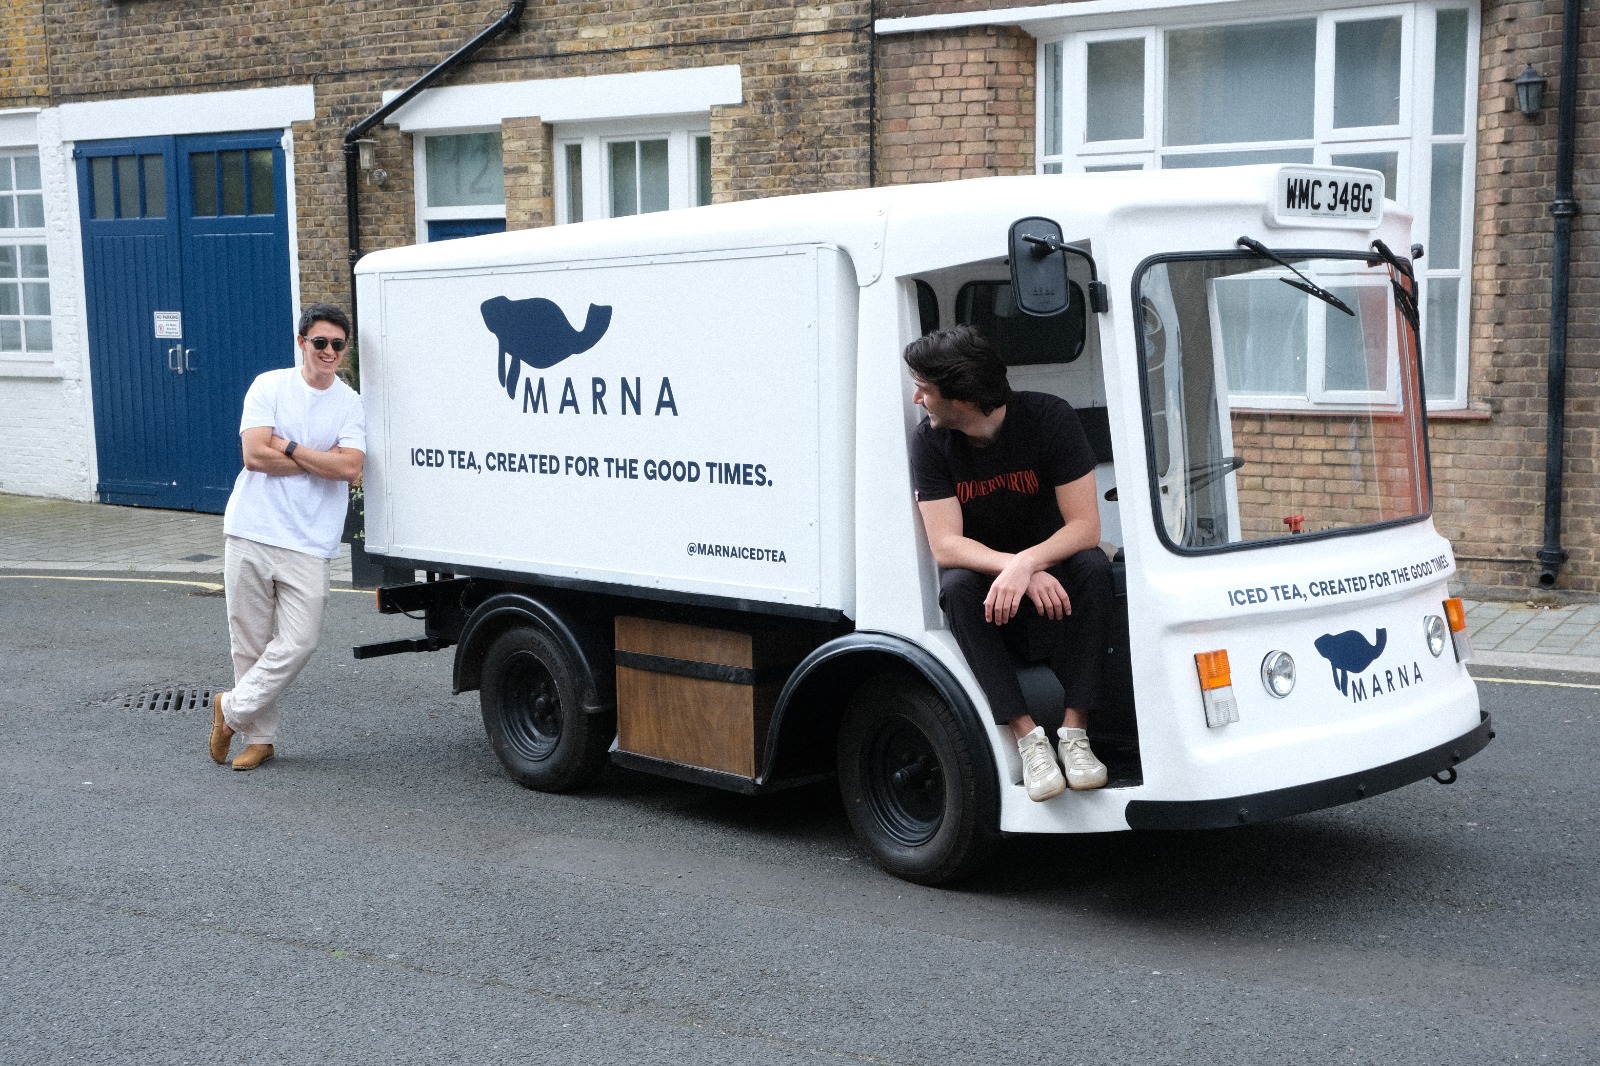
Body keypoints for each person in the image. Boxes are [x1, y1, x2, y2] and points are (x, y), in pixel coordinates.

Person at [906, 324, 1113, 801]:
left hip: (1053, 565)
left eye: (924, 388)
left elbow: (1085, 527)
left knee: (1094, 568)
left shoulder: (1049, 418)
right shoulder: (930, 443)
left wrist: (1029, 565)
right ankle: (1029, 740)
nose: (917, 398)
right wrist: (1014, 568)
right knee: (955, 585)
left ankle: (1075, 734)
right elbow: (946, 545)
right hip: (988, 576)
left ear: (961, 396)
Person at [209, 303, 366, 771]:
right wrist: (321, 459)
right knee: (250, 643)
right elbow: (255, 456)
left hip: (310, 542)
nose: (329, 351)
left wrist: (290, 445)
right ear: (302, 342)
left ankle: (230, 710)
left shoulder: (349, 402)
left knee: (300, 642)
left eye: (338, 344)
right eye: (320, 342)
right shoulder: (269, 385)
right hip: (252, 530)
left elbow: (351, 468)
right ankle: (260, 739)